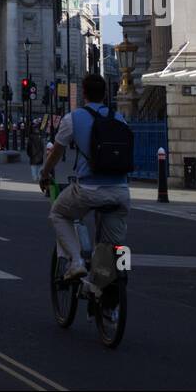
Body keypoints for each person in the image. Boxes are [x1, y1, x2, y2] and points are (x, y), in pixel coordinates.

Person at [40, 73, 131, 283]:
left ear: (84, 94)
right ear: (106, 94)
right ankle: (110, 296)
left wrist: (45, 174)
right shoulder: (120, 119)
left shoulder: (74, 118)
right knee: (113, 245)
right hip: (120, 190)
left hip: (89, 189)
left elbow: (56, 153)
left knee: (59, 214)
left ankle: (76, 262)